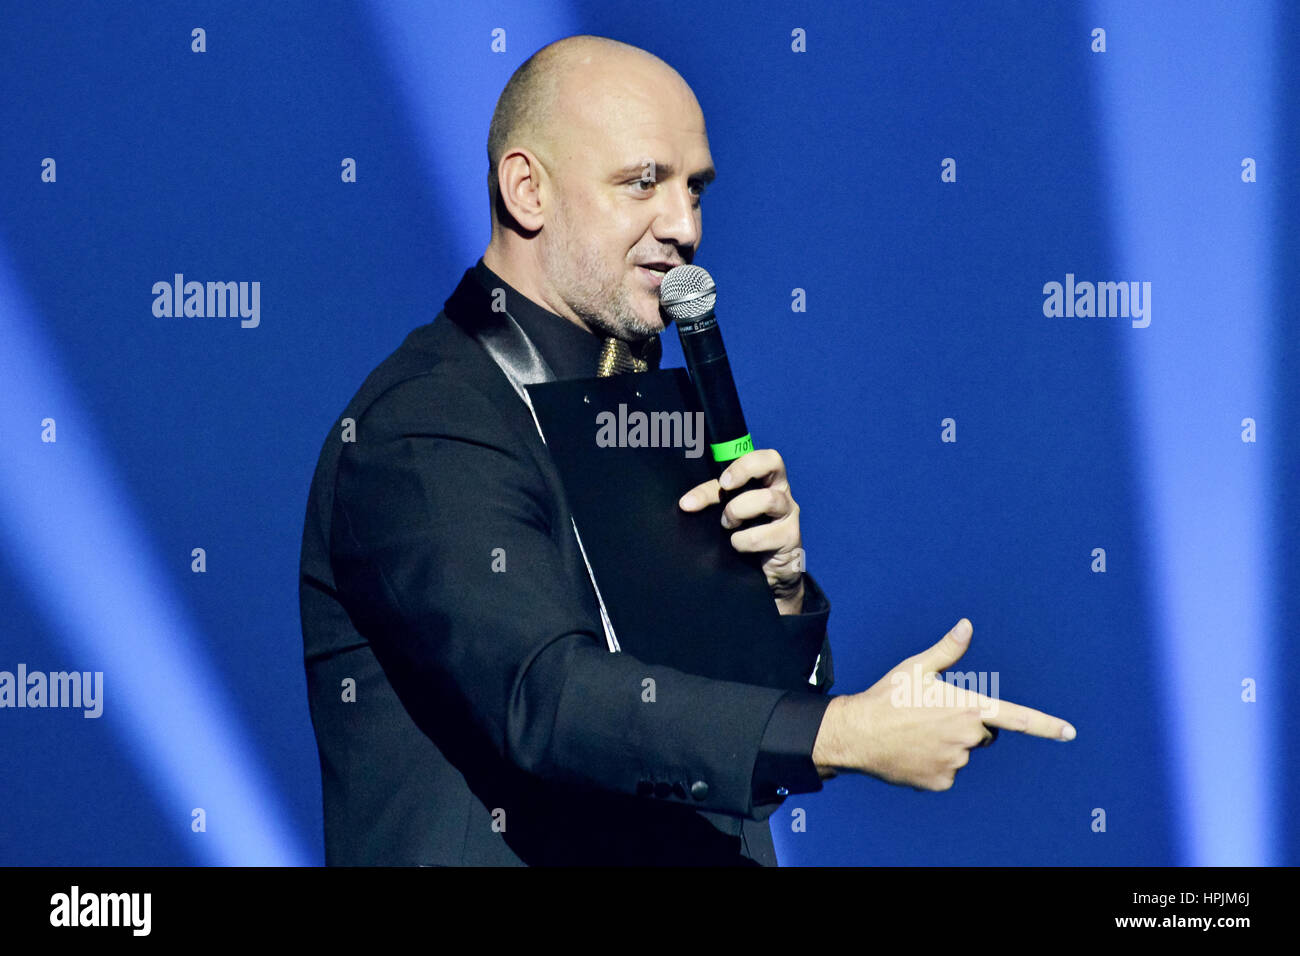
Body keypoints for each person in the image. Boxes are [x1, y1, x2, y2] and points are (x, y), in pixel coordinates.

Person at [299, 34, 1075, 866]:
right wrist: (843, 731)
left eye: (696, 188)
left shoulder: (649, 409)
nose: (685, 226)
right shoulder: (426, 423)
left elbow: (711, 743)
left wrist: (775, 597)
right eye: (643, 183)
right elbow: (545, 698)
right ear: (527, 189)